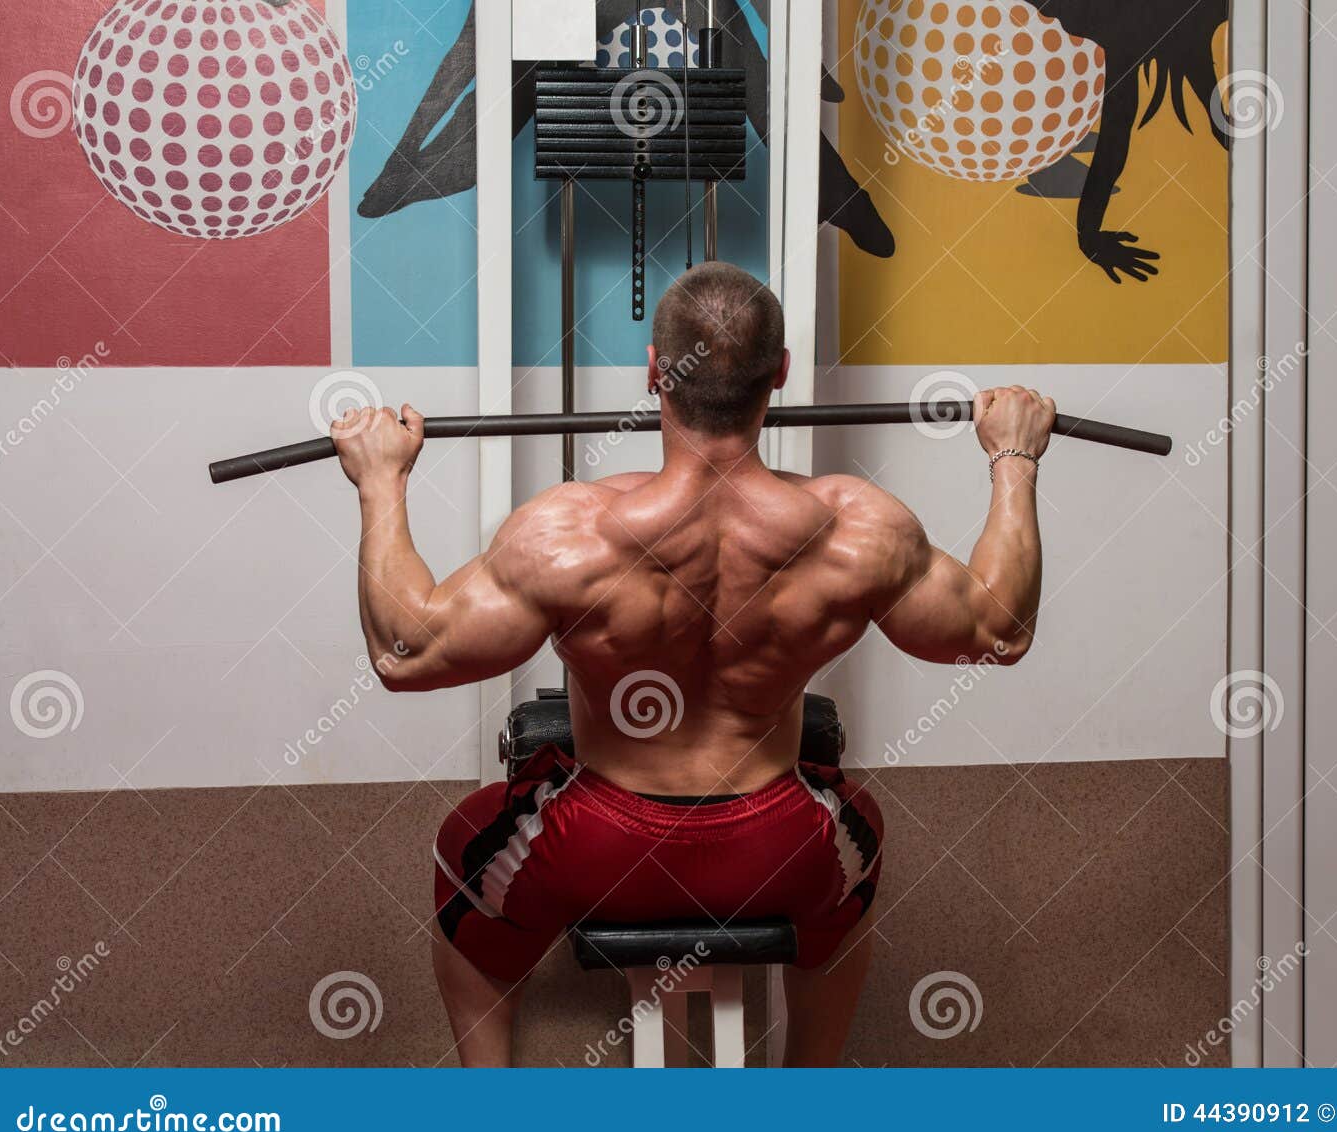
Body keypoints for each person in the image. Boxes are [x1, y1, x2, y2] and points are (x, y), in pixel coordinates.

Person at [331, 261, 1055, 1067]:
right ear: (779, 373)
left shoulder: (571, 533)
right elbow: (1000, 630)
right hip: (778, 845)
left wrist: (381, 481)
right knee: (859, 839)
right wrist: (1014, 463)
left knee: (463, 846)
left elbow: (406, 653)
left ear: (655, 371)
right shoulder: (859, 530)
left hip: (599, 844)